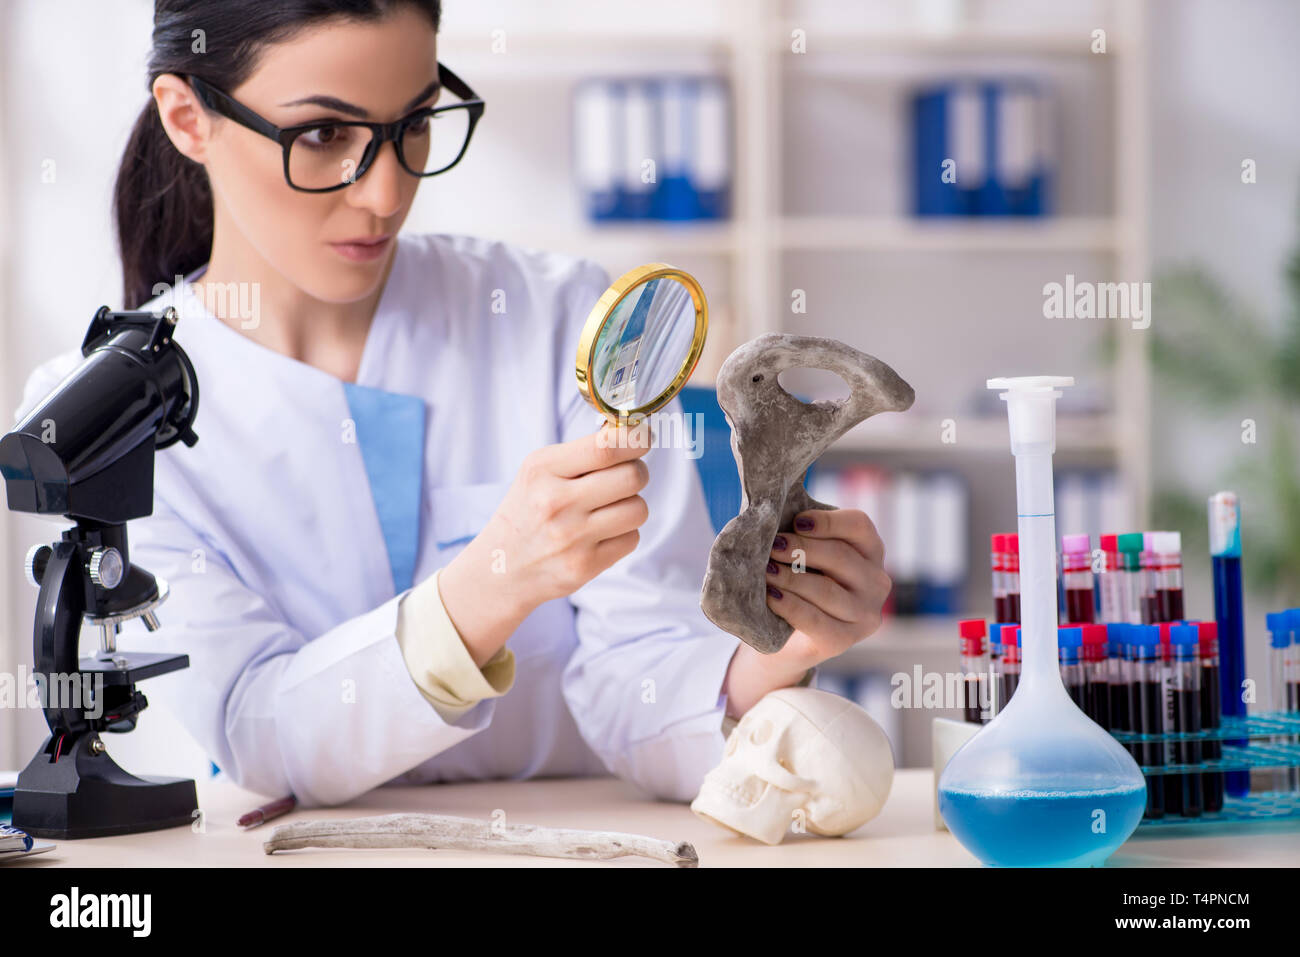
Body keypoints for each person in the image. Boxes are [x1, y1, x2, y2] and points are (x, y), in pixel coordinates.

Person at [14, 0, 891, 807]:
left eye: (415, 125)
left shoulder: (564, 323)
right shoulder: (107, 415)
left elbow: (644, 680)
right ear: (187, 117)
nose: (386, 192)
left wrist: (781, 647)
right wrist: (491, 582)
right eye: (322, 132)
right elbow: (260, 729)